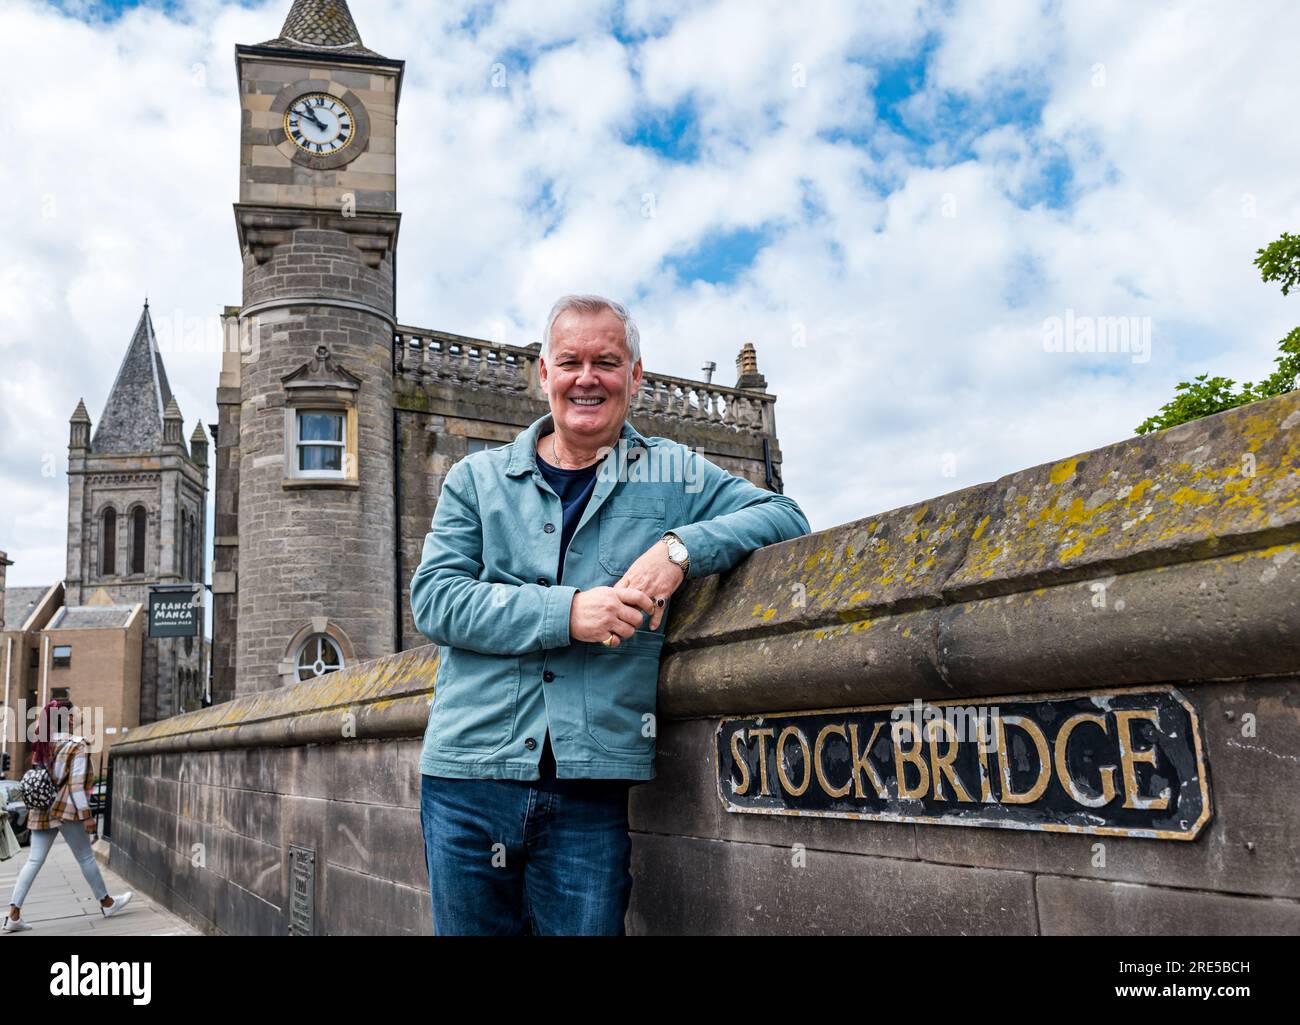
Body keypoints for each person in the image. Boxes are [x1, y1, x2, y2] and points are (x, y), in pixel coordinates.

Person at [412, 294, 810, 935]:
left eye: (607, 361)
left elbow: (787, 516)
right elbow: (436, 599)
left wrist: (680, 548)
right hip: (466, 781)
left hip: (589, 791)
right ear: (544, 373)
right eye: (570, 361)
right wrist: (568, 613)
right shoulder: (475, 479)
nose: (587, 378)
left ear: (635, 375)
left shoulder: (672, 471)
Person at [3, 699, 132, 932]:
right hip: (65, 809)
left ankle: (13, 914)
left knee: (33, 860)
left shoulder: (43, 743)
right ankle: (107, 903)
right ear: (70, 719)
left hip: (42, 809)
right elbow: (75, 787)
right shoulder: (77, 745)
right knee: (85, 858)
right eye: (78, 711)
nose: (82, 713)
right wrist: (88, 817)